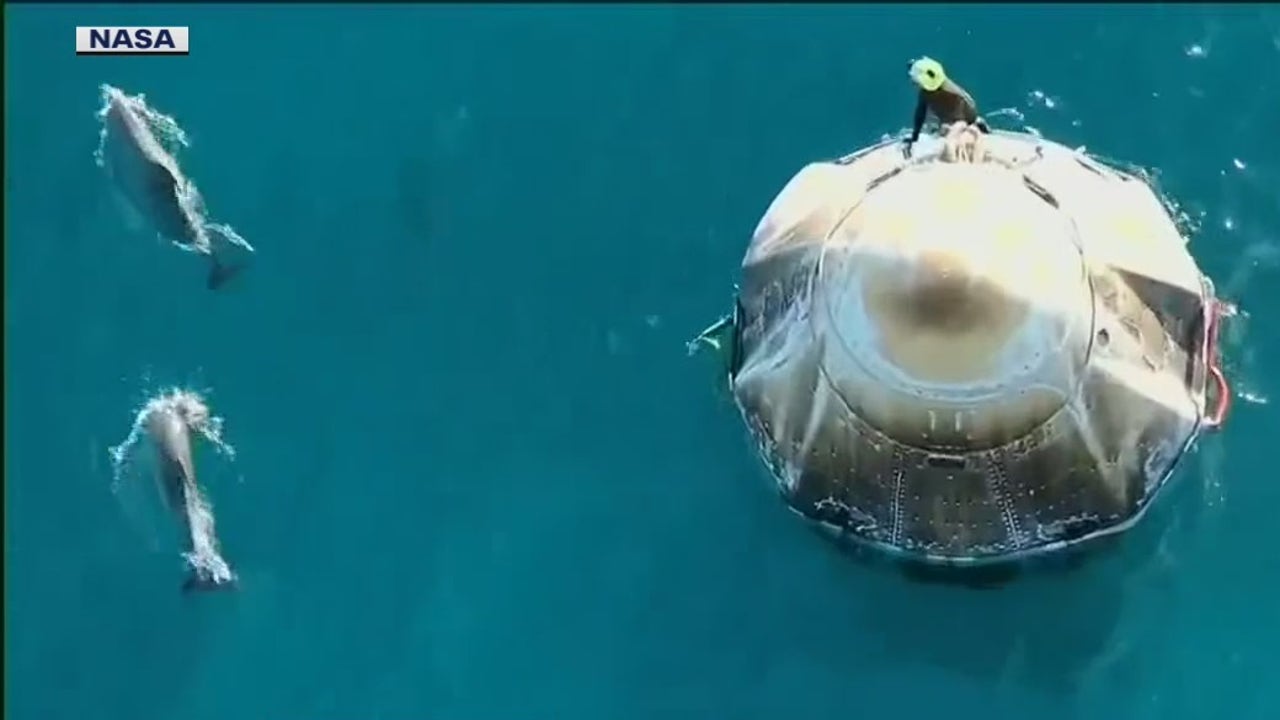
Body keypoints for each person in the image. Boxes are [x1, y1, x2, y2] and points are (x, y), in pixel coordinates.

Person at [905, 57, 991, 157]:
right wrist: (915, 136)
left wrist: (915, 137)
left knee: (950, 129)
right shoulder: (930, 89)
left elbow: (920, 113)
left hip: (960, 114)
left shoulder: (950, 94)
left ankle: (974, 125)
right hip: (957, 111)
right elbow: (920, 112)